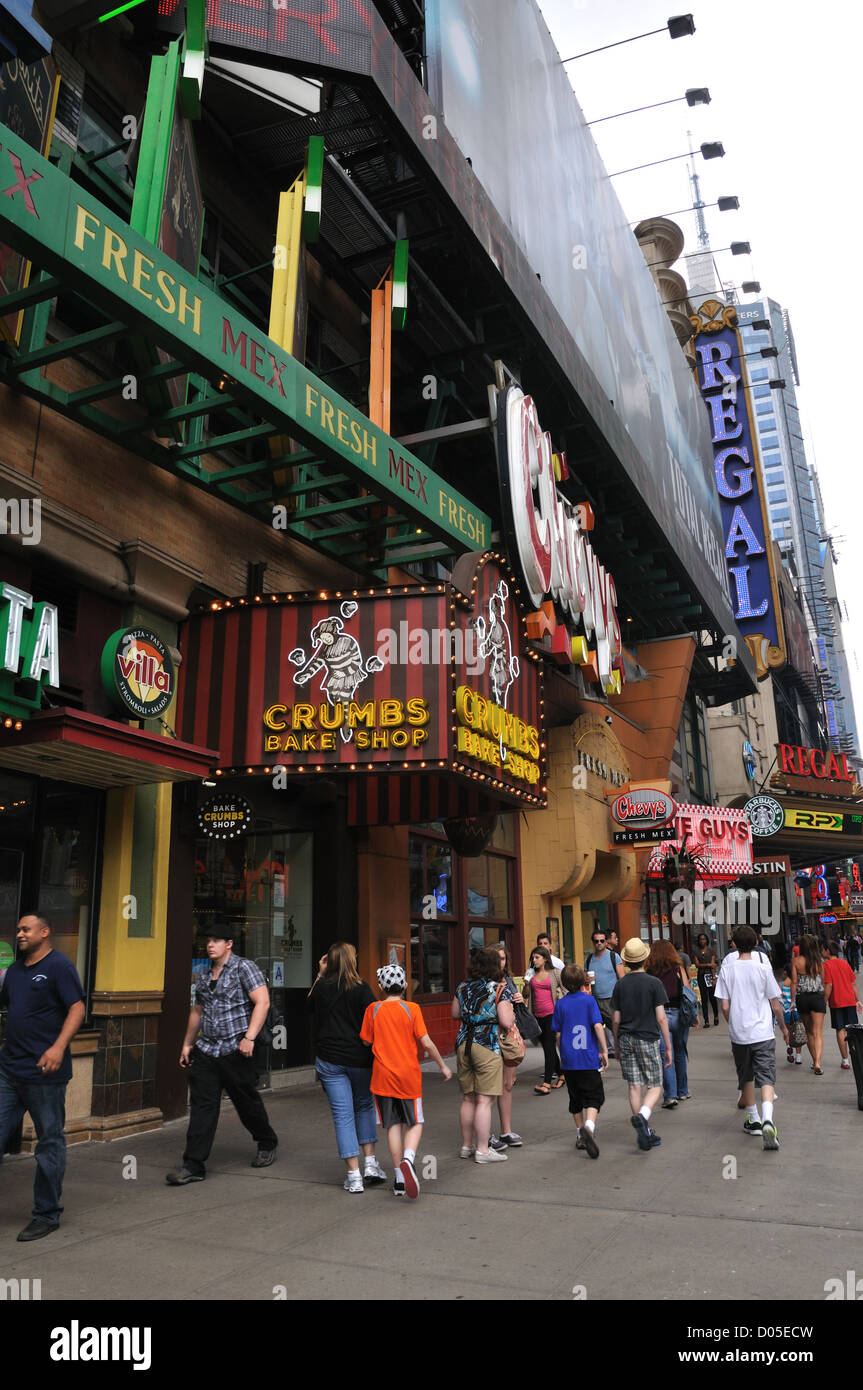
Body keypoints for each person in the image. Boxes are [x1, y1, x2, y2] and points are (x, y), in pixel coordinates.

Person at [166, 927, 278, 1185]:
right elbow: (197, 1010)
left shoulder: (244, 968)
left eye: (216, 940)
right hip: (206, 1050)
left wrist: (249, 1038)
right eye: (208, 940)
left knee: (246, 1102)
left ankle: (266, 1141)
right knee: (202, 1107)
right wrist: (187, 1044)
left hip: (235, 1049)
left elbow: (263, 1001)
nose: (210, 945)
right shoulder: (205, 975)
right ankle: (193, 1164)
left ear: (228, 944)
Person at [0, 915, 85, 1241]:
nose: (19, 934)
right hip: (9, 1069)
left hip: (45, 1074)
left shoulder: (59, 967)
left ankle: (47, 1214)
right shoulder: (15, 973)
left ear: (45, 932)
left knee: (48, 1143)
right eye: (18, 929)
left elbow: (77, 1008)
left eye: (26, 929)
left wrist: (57, 1048)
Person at [361, 963, 451, 1197]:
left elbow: (366, 1041)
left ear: (380, 986)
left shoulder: (373, 1009)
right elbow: (427, 1042)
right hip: (408, 1076)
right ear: (405, 986)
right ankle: (409, 1159)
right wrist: (442, 1066)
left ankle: (400, 1180)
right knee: (415, 1122)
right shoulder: (412, 1009)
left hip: (382, 1077)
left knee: (392, 1126)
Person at [308, 942, 388, 1193]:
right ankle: (371, 1165)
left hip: (330, 1059)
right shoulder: (362, 989)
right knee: (364, 1106)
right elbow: (376, 1019)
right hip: (359, 1059)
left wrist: (319, 975)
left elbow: (308, 1008)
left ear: (328, 962)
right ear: (353, 961)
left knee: (342, 1116)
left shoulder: (321, 988)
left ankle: (353, 1177)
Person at [715, 924, 788, 1151]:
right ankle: (768, 1119)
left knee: (745, 1075)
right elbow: (775, 1004)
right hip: (762, 1031)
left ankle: (753, 1118)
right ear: (756, 943)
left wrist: (734, 1021)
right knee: (766, 1075)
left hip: (740, 1033)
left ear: (734, 944)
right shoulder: (762, 967)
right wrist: (784, 1027)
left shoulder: (727, 968)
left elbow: (724, 1006)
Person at [452, 947, 515, 1164]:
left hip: (463, 1044)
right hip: (487, 1044)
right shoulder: (499, 988)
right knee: (485, 1101)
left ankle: (466, 1145)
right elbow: (507, 1021)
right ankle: (483, 1150)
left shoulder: (462, 986)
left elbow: (455, 1014)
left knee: (468, 1098)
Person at [611, 938, 672, 1152]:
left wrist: (617, 1045)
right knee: (655, 1085)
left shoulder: (620, 984)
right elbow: (661, 1018)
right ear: (645, 959)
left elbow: (616, 1019)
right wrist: (668, 1046)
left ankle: (644, 1132)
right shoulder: (654, 983)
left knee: (634, 1085)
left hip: (626, 1038)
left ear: (626, 961)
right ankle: (643, 1117)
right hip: (648, 1037)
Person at [552, 964, 608, 1158]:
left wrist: (562, 1052)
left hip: (569, 1060)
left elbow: (558, 1035)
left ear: (564, 983)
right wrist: (604, 1050)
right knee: (594, 1096)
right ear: (583, 981)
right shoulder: (589, 1001)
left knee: (575, 1098)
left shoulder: (560, 1004)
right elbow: (598, 1026)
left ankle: (579, 1134)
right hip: (588, 1058)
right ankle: (589, 1128)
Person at [647, 939, 692, 1108]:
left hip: (660, 1015)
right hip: (679, 1014)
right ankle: (683, 1090)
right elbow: (687, 990)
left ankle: (670, 1095)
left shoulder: (650, 971)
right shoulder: (678, 968)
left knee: (666, 1054)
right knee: (680, 1052)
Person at [488, 942, 523, 1151]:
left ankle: (506, 1130)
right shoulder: (484, 983)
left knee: (507, 1085)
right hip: (490, 1038)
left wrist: (519, 1000)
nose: (501, 962)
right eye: (497, 959)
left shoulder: (508, 980)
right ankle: (488, 1134)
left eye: (503, 958)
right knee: (489, 1088)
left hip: (508, 1038)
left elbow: (514, 1011)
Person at [523, 946, 565, 1092]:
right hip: (536, 1015)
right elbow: (525, 995)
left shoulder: (555, 973)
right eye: (532, 958)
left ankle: (546, 1083)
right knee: (549, 1048)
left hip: (551, 1014)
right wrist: (526, 984)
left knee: (548, 1048)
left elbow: (565, 991)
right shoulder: (530, 973)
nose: (534, 960)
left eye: (537, 957)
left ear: (545, 959)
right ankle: (561, 1074)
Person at [584, 928, 625, 1057]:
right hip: (595, 999)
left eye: (602, 941)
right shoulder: (589, 959)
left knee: (616, 1028)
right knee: (595, 1029)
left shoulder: (614, 956)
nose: (599, 943)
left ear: (606, 942)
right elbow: (584, 981)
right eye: (596, 941)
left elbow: (622, 979)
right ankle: (599, 1055)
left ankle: (623, 1051)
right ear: (593, 942)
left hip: (611, 999)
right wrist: (587, 980)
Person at [823, 942, 863, 1070]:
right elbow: (853, 984)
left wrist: (824, 1000)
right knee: (852, 1030)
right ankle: (858, 1057)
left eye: (822, 950)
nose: (821, 953)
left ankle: (845, 1060)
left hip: (836, 1002)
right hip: (850, 1000)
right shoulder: (845, 963)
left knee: (840, 1030)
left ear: (827, 951)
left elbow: (828, 985)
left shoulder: (826, 965)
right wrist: (858, 1000)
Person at [791, 933, 827, 1075]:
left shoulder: (796, 961)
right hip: (817, 997)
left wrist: (793, 1000)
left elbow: (794, 982)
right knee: (818, 1032)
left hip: (802, 999)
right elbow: (823, 982)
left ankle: (814, 1061)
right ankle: (818, 1062)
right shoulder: (819, 962)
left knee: (809, 1032)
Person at [694, 932, 719, 1027]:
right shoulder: (696, 951)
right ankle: (706, 1020)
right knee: (704, 998)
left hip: (709, 975)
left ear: (707, 940)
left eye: (704, 939)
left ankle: (716, 1016)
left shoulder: (711, 950)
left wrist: (714, 978)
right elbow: (697, 964)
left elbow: (713, 965)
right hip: (701, 976)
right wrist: (708, 964)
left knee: (712, 997)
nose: (702, 941)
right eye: (700, 939)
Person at [778, 965, 803, 1065]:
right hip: (797, 1011)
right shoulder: (796, 984)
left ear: (785, 972)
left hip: (786, 1012)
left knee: (787, 1032)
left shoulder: (780, 984)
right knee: (797, 1033)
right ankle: (798, 1057)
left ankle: (789, 1050)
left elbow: (778, 999)